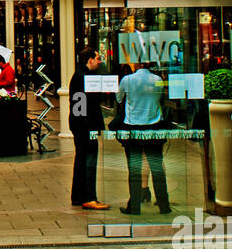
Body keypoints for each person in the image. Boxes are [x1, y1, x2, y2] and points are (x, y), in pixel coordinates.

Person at [116, 62, 171, 215]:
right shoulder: (157, 80)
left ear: (136, 64)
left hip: (133, 127)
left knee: (134, 169)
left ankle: (134, 206)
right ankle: (164, 205)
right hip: (153, 126)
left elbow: (119, 98)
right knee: (157, 167)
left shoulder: (127, 80)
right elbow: (161, 98)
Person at [68, 47, 108, 210]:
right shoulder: (82, 77)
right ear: (89, 60)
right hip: (86, 126)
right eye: (97, 58)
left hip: (82, 125)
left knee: (82, 160)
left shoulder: (82, 76)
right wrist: (86, 127)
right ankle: (89, 197)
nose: (99, 61)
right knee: (89, 160)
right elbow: (80, 105)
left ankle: (78, 196)